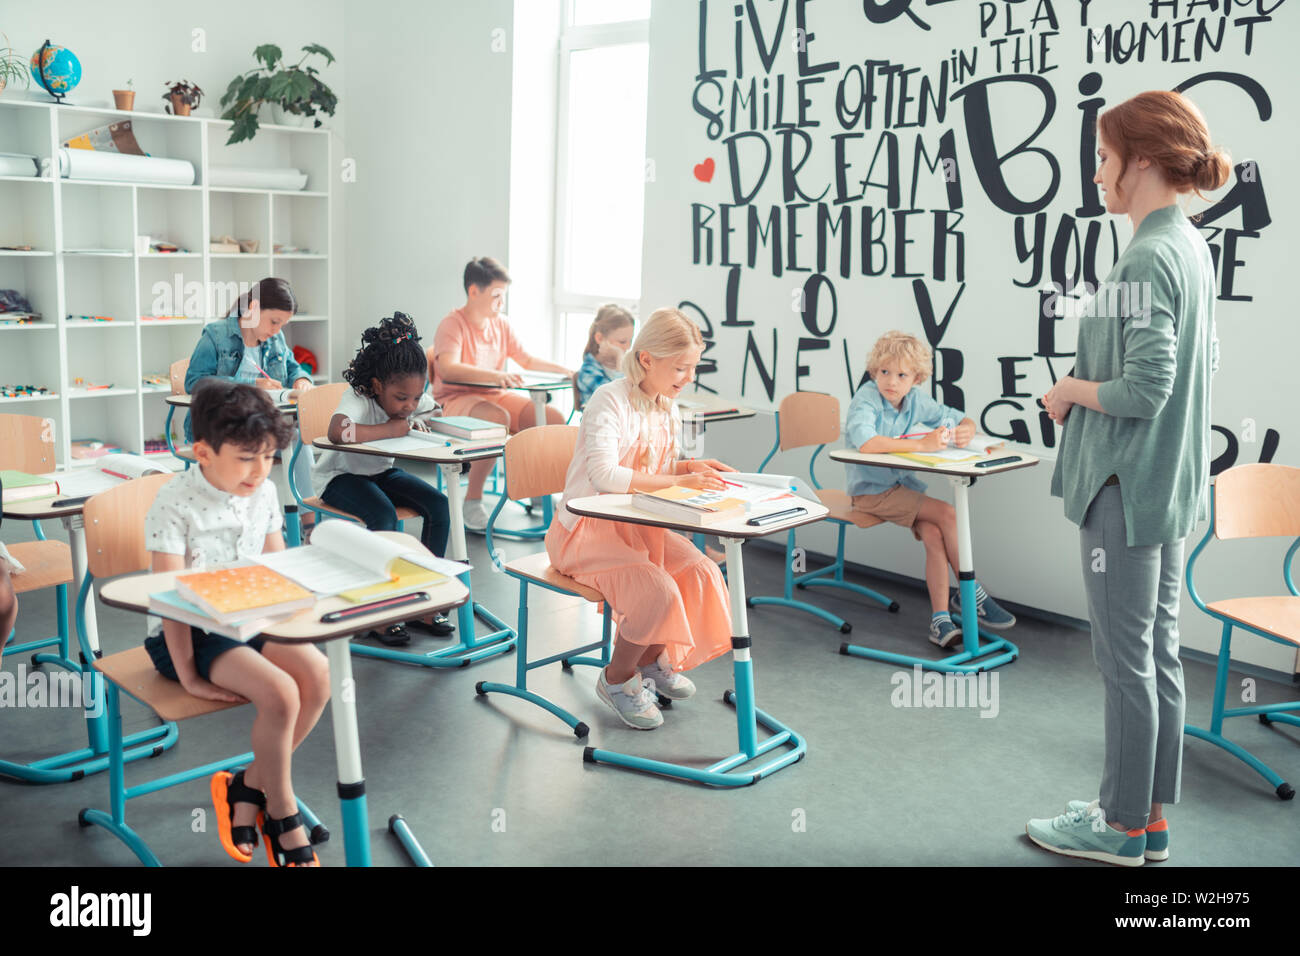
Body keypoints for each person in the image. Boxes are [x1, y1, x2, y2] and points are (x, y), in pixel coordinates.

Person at [1026, 90, 1228, 866]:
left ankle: (1116, 826)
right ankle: (1145, 818)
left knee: (1123, 662)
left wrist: (1071, 390)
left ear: (1143, 159)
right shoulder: (1188, 245)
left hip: (1125, 488)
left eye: (1106, 158)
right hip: (1170, 484)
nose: (1100, 174)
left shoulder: (1147, 252)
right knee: (1159, 654)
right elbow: (1199, 367)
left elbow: (1146, 389)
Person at [145, 381, 329, 867]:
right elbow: (169, 602)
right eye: (246, 458)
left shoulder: (264, 491)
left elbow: (276, 569)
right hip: (187, 631)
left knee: (319, 676)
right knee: (281, 694)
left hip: (249, 614)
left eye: (268, 457)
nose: (259, 471)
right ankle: (281, 809)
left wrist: (308, 611)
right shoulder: (173, 502)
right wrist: (187, 675)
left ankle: (249, 784)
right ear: (202, 452)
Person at [546, 308, 733, 730]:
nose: (687, 377)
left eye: (692, 368)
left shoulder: (666, 403)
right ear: (647, 359)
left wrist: (692, 470)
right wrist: (674, 482)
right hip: (583, 529)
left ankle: (650, 663)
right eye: (680, 367)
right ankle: (616, 679)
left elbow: (663, 466)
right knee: (657, 591)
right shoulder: (608, 399)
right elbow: (605, 476)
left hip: (638, 526)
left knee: (701, 570)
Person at [843, 330, 1016, 648]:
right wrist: (923, 444)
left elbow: (960, 418)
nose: (891, 382)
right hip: (871, 494)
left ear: (916, 378)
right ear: (873, 372)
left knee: (935, 535)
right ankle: (972, 593)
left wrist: (966, 431)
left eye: (901, 375)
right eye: (884, 372)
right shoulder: (866, 399)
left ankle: (940, 621)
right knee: (948, 513)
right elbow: (867, 442)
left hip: (900, 489)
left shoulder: (916, 400)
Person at [313, 313, 454, 645]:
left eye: (415, 397)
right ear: (378, 386)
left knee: (438, 504)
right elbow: (337, 431)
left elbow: (435, 410)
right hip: (340, 477)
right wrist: (389, 430)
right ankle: (381, 608)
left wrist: (423, 416)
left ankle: (423, 595)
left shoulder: (411, 399)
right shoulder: (359, 396)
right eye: (401, 399)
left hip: (379, 473)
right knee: (383, 515)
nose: (409, 405)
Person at [430, 257, 574, 531]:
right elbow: (447, 369)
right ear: (474, 291)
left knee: (551, 418)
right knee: (497, 420)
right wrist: (496, 376)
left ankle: (538, 488)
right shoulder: (452, 324)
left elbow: (527, 360)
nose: (501, 303)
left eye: (503, 296)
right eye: (496, 295)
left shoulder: (501, 324)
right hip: (455, 399)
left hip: (493, 396)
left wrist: (567, 371)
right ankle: (472, 500)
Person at [575, 304, 634, 407]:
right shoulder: (588, 372)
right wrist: (618, 356)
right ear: (599, 338)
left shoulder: (628, 367)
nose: (628, 347)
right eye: (622, 341)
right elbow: (619, 398)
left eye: (631, 341)